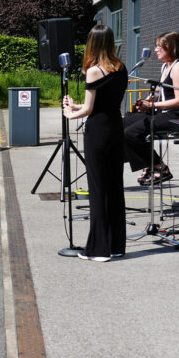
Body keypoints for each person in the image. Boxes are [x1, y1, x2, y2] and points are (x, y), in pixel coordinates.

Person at [63, 25, 129, 262]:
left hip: (98, 132)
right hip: (115, 128)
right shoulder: (121, 68)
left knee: (98, 189)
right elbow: (104, 104)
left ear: (93, 43)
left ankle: (99, 249)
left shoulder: (93, 71)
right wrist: (77, 106)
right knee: (114, 187)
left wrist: (71, 114)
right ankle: (116, 244)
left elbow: (90, 109)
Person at [123, 31, 179, 185]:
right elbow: (163, 94)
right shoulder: (165, 67)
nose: (155, 50)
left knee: (132, 132)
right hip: (165, 113)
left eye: (158, 46)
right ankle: (146, 163)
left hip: (178, 117)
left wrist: (152, 105)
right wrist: (149, 101)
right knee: (126, 120)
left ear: (170, 48)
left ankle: (159, 167)